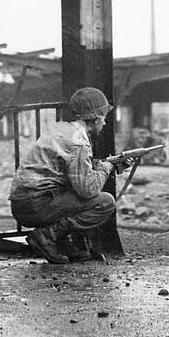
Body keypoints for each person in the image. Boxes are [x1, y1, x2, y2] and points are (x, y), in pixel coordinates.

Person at [9, 87, 124, 264]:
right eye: (104, 118)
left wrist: (100, 165)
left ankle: (62, 243)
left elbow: (67, 173)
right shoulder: (79, 143)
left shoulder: (62, 129)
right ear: (96, 118)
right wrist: (107, 167)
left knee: (71, 193)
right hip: (37, 204)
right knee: (105, 202)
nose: (105, 123)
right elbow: (88, 190)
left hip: (24, 202)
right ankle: (46, 236)